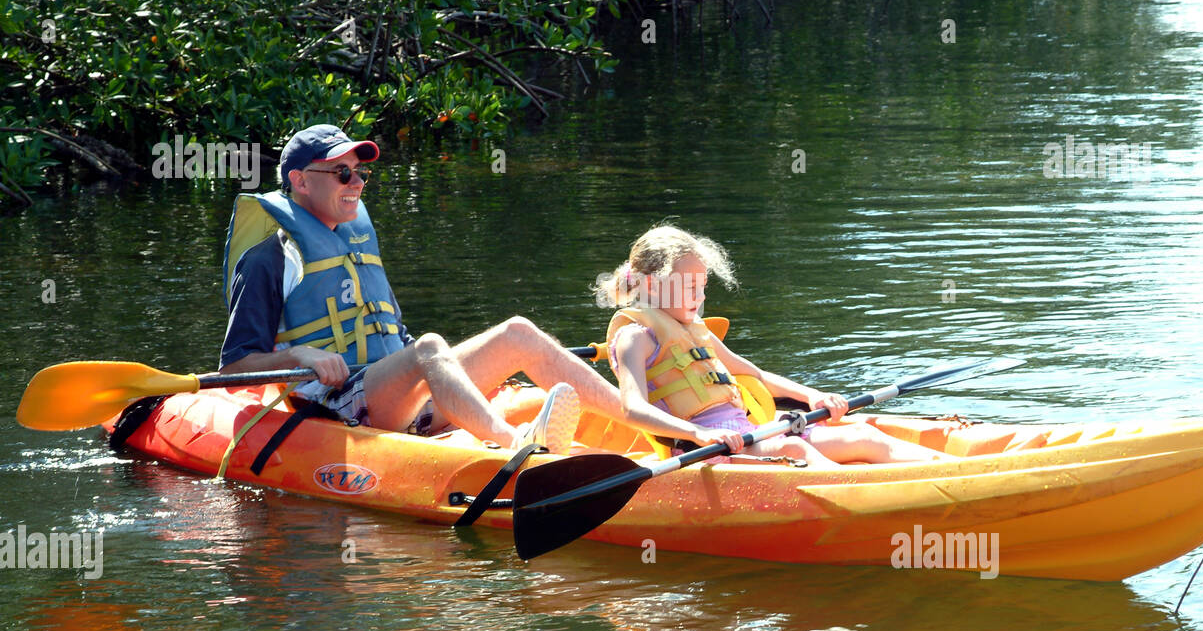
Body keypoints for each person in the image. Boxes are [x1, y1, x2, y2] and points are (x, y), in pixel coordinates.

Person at [220, 123, 628, 452]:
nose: (357, 183)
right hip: (335, 403)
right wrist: (298, 353)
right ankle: (517, 446)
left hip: (392, 398)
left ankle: (647, 424)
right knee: (431, 346)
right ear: (300, 181)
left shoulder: (356, 248)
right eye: (342, 172)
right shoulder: (266, 261)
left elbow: (396, 335)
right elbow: (233, 368)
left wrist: (454, 375)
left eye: (360, 172)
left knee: (517, 332)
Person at [592, 226, 953, 468]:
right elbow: (633, 408)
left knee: (863, 434)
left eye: (703, 287)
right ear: (653, 286)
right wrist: (698, 433)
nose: (700, 298)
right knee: (793, 449)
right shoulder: (635, 337)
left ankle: (959, 471)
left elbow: (752, 373)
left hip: (752, 430)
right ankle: (862, 496)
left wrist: (813, 396)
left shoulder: (692, 328)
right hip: (707, 449)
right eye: (689, 289)